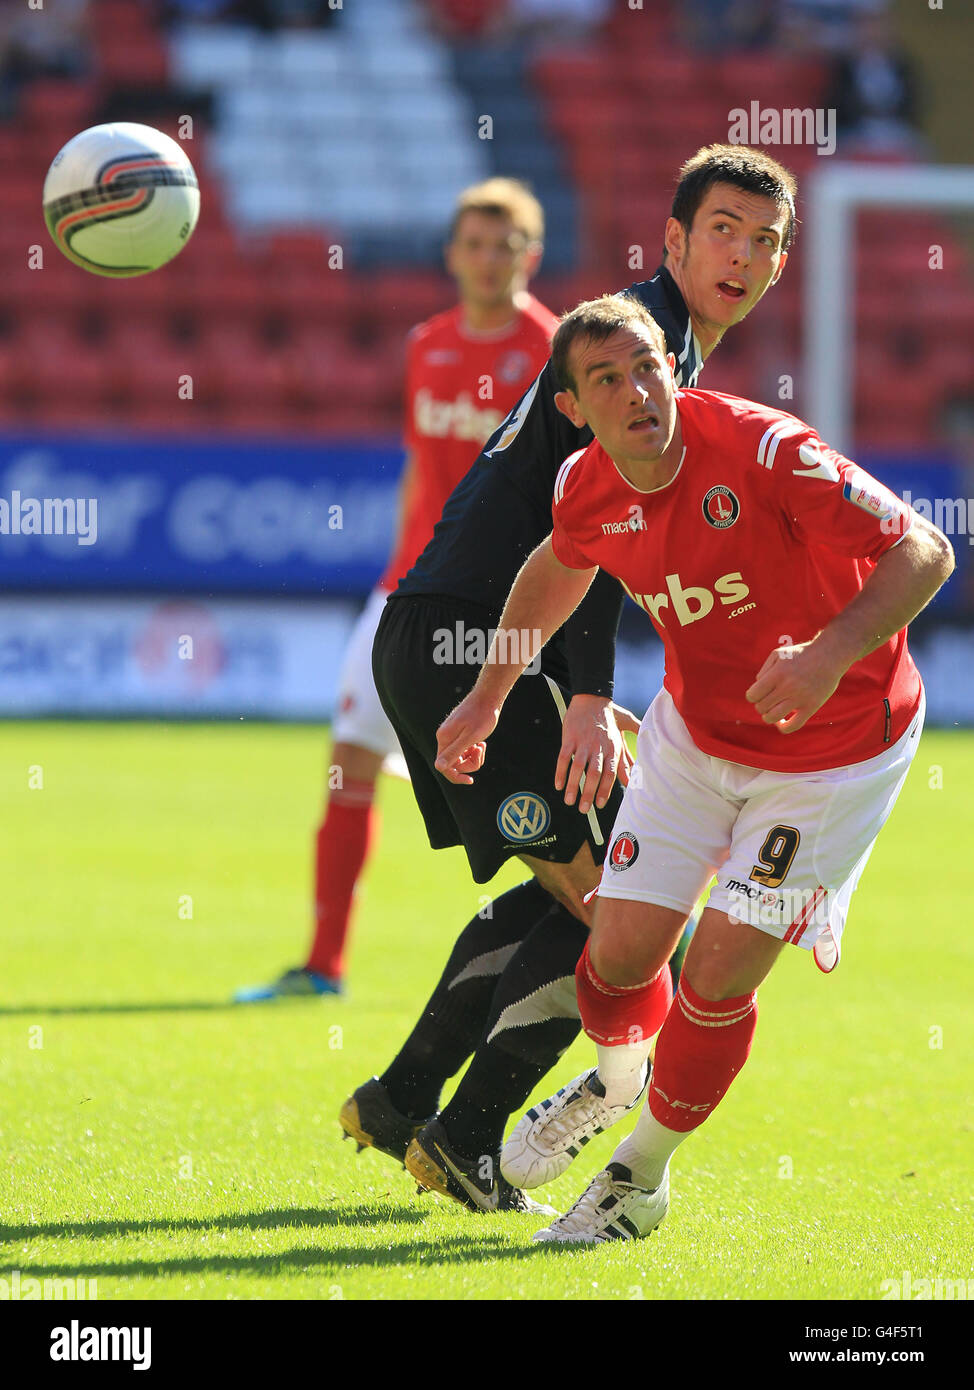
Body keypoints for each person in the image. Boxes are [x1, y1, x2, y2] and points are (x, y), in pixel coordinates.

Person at [432, 293, 953, 1241]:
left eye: (647, 368)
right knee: (619, 956)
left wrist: (830, 652)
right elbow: (560, 567)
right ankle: (619, 1081)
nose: (636, 391)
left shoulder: (766, 450)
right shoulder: (587, 484)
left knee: (715, 976)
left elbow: (926, 551)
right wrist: (486, 694)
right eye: (605, 380)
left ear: (673, 370)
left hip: (833, 758)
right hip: (694, 739)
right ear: (574, 409)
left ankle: (641, 1176)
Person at [340, 146, 800, 1211]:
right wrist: (584, 695)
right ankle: (466, 1138)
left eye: (763, 238)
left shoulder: (643, 342)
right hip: (482, 641)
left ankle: (404, 1101)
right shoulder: (643, 348)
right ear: (674, 240)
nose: (741, 253)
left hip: (445, 636)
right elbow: (593, 522)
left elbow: (595, 527)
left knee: (577, 893)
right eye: (720, 228)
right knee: (628, 915)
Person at [235, 178, 557, 1001]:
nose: (488, 261)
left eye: (505, 245)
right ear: (451, 254)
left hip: (498, 603)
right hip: (408, 589)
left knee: (510, 787)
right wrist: (396, 565)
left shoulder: (556, 352)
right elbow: (423, 466)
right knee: (350, 764)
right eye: (475, 245)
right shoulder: (427, 344)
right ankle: (322, 964)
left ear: (532, 255)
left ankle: (627, 920)